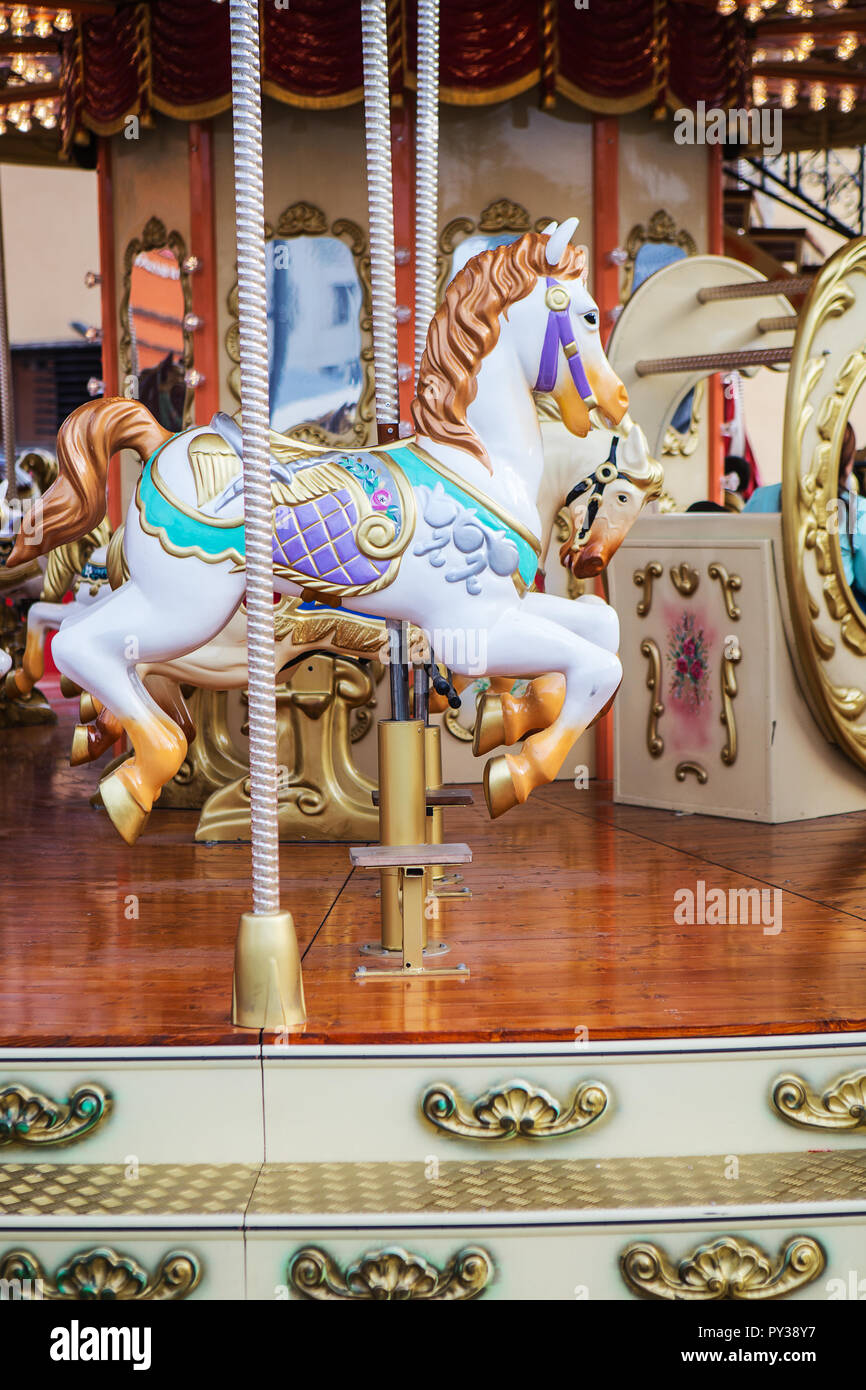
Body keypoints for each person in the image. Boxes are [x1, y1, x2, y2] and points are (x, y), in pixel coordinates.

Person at [744, 424, 866, 604]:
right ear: (847, 461)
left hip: (766, 609)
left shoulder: (760, 498)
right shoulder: (858, 509)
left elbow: (743, 563)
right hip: (831, 616)